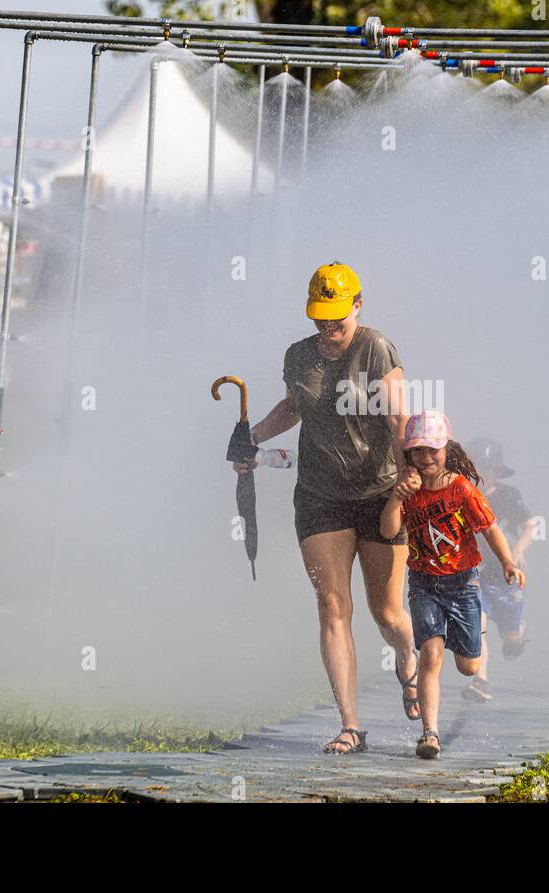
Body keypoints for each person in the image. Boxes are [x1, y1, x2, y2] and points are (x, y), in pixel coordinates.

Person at [236, 262, 420, 755]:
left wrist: (411, 474)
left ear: (358, 306)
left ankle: (408, 660)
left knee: (387, 612)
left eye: (337, 320)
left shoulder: (376, 348)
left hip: (381, 492)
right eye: (321, 320)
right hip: (320, 495)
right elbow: (295, 407)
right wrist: (251, 438)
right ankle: (350, 725)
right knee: (333, 605)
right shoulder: (298, 356)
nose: (329, 329)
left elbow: (399, 415)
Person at [380, 411, 526, 759]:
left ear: (447, 449)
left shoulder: (461, 489)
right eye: (417, 451)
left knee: (469, 666)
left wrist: (508, 562)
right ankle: (430, 735)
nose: (426, 458)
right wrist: (397, 497)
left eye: (433, 450)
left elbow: (490, 528)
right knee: (430, 654)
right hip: (424, 585)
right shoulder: (408, 490)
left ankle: (468, 641)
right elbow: (387, 531)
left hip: (462, 585)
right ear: (408, 454)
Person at [460, 437, 539, 703]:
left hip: (505, 577)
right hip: (476, 576)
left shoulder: (508, 496)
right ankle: (481, 681)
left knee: (510, 636)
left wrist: (517, 550)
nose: (481, 471)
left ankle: (517, 635)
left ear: (496, 469)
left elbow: (531, 525)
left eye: (486, 465)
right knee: (477, 623)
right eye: (476, 465)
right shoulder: (462, 495)